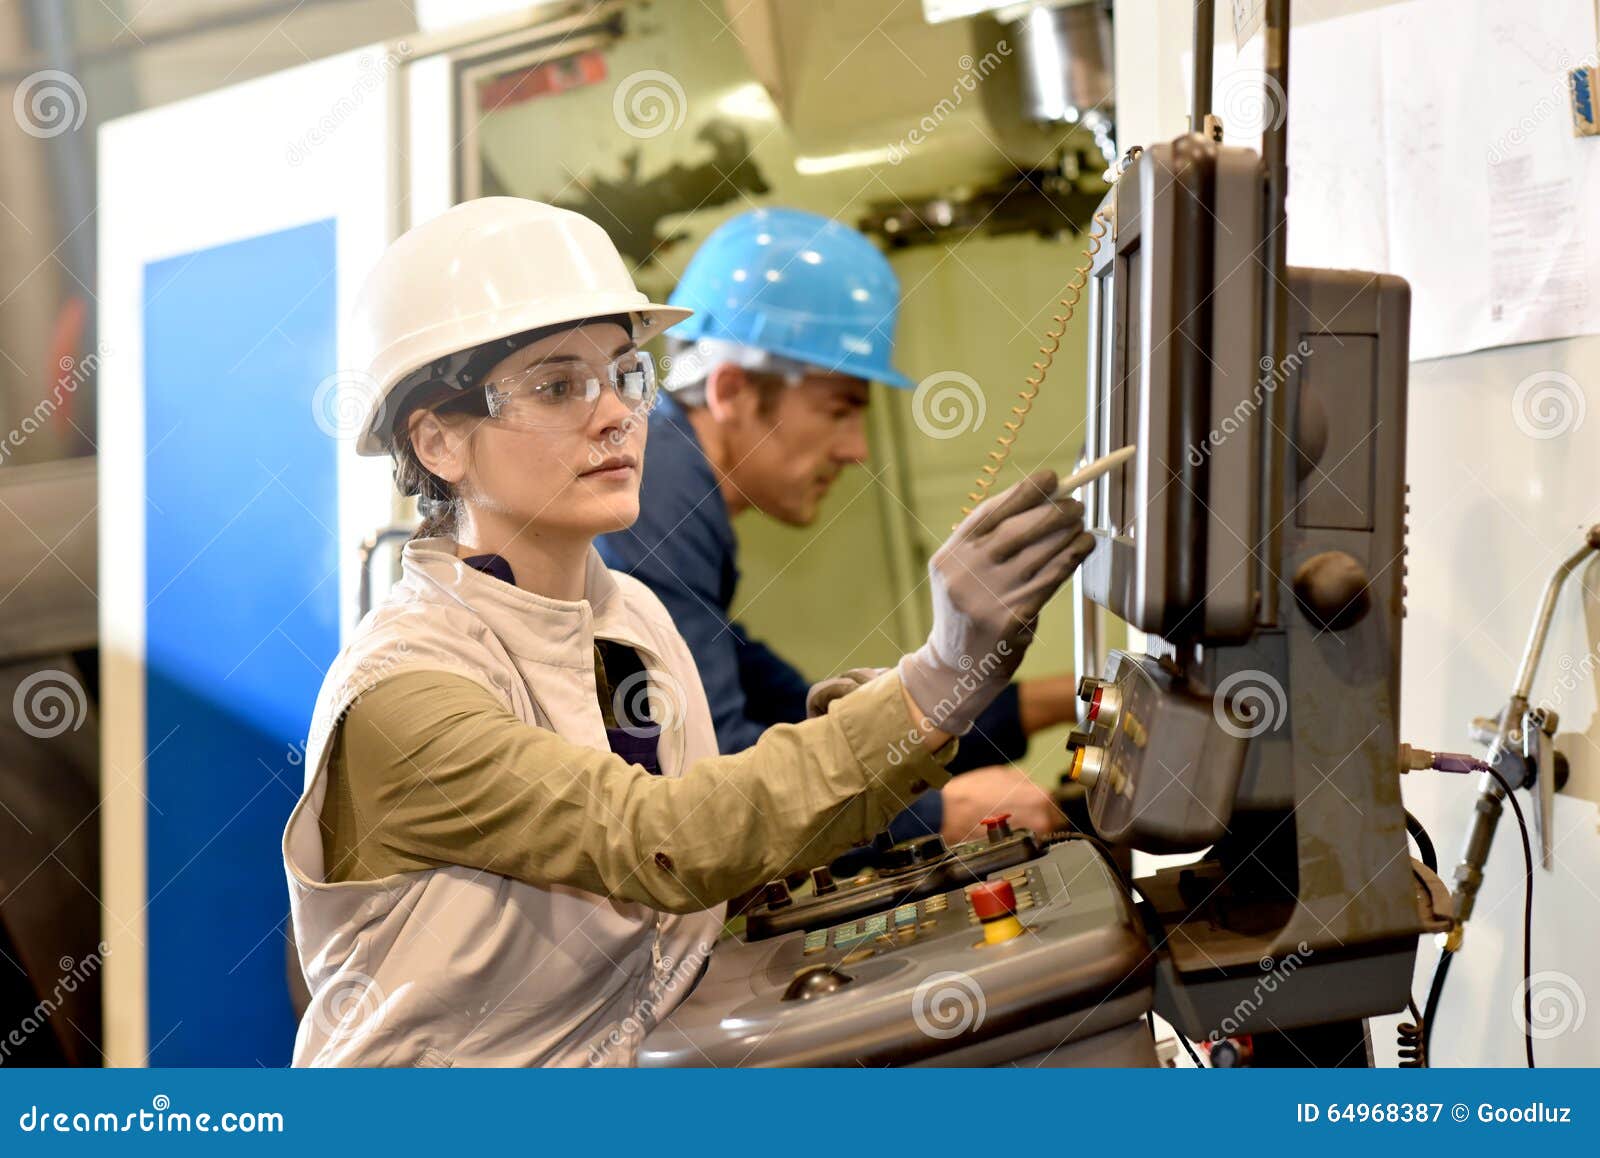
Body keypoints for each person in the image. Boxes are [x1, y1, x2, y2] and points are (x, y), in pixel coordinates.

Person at [281, 198, 1096, 1067]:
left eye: (625, 374)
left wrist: (957, 683)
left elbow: (743, 821)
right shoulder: (402, 693)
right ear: (437, 438)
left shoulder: (631, 618)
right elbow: (667, 838)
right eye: (558, 386)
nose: (615, 417)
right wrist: (937, 674)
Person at [596, 208, 1081, 852]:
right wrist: (941, 815)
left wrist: (1070, 698)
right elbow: (716, 782)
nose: (855, 448)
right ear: (732, 389)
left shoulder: (678, 497)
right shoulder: (660, 498)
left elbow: (811, 726)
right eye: (838, 410)